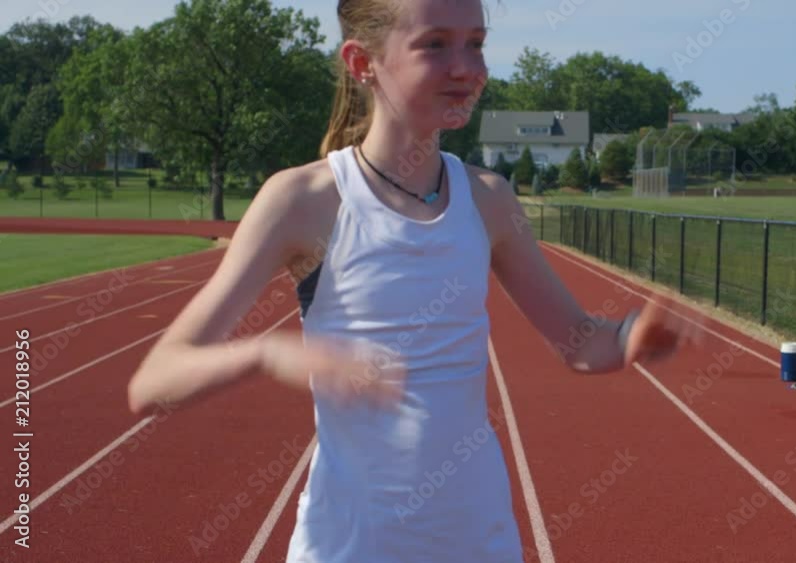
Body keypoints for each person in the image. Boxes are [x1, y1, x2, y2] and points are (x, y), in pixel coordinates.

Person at [127, 0, 686, 561]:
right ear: (362, 62)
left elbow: (580, 341)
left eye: (476, 43)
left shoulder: (489, 200)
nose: (466, 66)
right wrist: (269, 354)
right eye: (436, 44)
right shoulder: (305, 201)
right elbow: (153, 381)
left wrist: (630, 336)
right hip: (349, 547)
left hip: (478, 542)